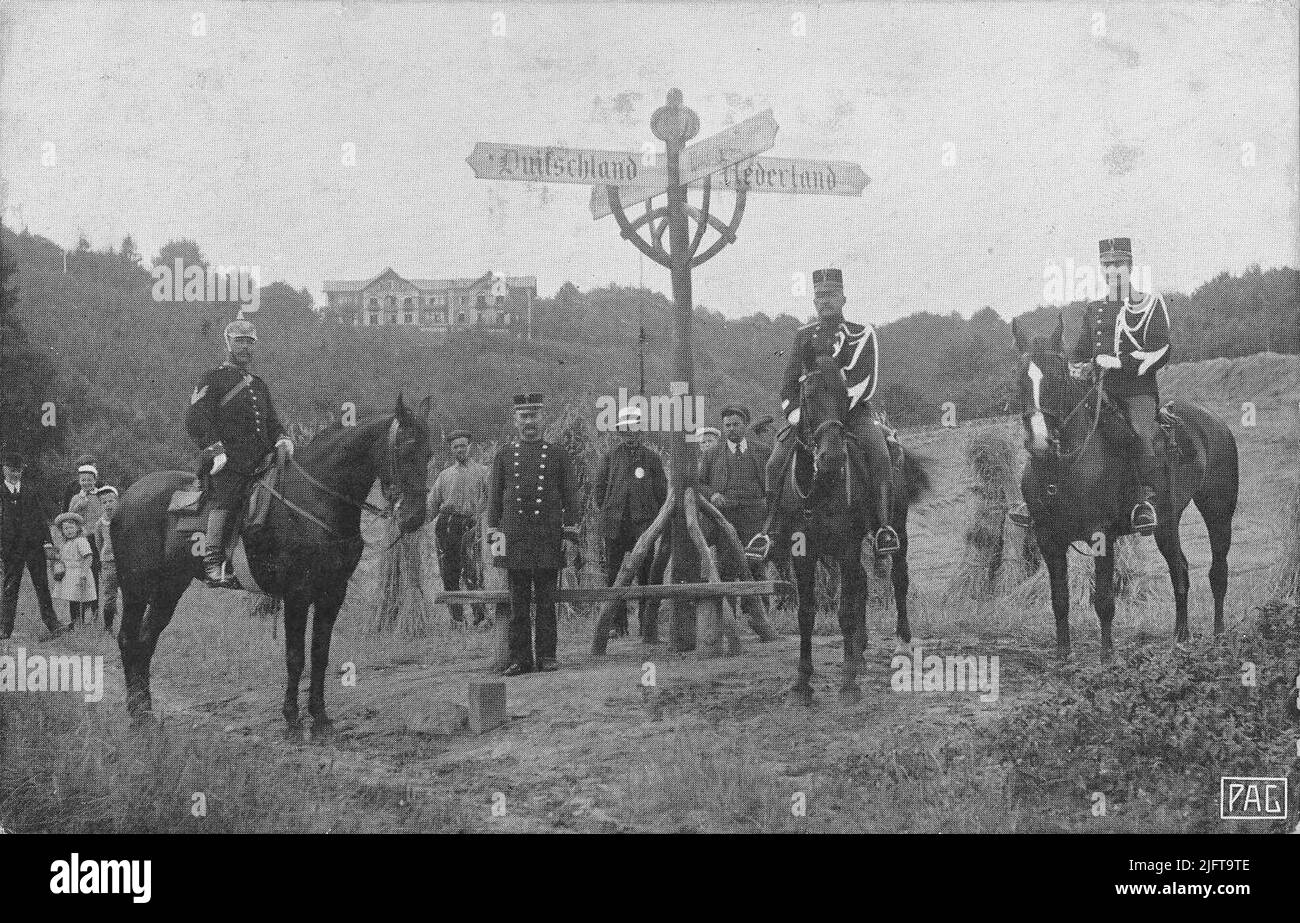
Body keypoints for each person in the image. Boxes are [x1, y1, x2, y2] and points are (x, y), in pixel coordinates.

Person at [1010, 237, 1171, 535]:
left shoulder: (1150, 304)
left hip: (1137, 392)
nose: (1113, 271)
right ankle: (1038, 502)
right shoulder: (1095, 309)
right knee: (1056, 428)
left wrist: (1118, 362)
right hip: (1099, 391)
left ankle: (1144, 502)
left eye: (1118, 265)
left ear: (1130, 267)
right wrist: (1077, 365)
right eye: (1107, 266)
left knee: (1140, 434)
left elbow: (1161, 350)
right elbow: (1081, 352)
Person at [750, 267, 899, 563]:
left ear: (843, 298)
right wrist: (794, 414)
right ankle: (769, 531)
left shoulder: (862, 333)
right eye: (819, 296)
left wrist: (838, 409)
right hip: (811, 415)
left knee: (881, 455)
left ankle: (883, 528)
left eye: (830, 295)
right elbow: (789, 383)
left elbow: (866, 379)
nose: (824, 301)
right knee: (773, 463)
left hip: (853, 413)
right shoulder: (803, 335)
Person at [185, 319, 294, 588]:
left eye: (249, 342)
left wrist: (282, 439)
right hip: (228, 462)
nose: (245, 347)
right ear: (228, 343)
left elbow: (272, 423)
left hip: (261, 461)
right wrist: (216, 449)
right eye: (239, 341)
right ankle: (213, 562)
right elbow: (196, 418)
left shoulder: (259, 384)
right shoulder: (213, 378)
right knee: (228, 497)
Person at [487, 392, 581, 676]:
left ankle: (548, 656)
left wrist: (569, 536)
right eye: (524, 417)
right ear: (515, 420)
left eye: (534, 416)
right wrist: (494, 536)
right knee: (518, 603)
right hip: (514, 538)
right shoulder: (504, 456)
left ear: (543, 419)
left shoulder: (557, 454)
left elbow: (571, 499)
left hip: (547, 537)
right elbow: (494, 500)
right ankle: (520, 659)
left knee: (546, 602)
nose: (529, 422)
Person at [592, 406, 667, 638]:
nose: (630, 435)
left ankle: (646, 623)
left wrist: (652, 517)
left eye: (634, 430)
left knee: (646, 572)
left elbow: (661, 492)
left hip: (643, 526)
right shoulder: (610, 457)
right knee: (615, 574)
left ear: (641, 431)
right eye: (625, 431)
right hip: (615, 525)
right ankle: (617, 623)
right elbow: (600, 490)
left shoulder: (652, 458)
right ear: (620, 433)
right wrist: (609, 509)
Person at [0, 452, 70, 640]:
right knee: (10, 587)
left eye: (18, 471)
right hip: (11, 550)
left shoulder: (30, 491)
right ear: (4, 469)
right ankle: (5, 628)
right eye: (12, 471)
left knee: (42, 586)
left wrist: (47, 542)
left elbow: (40, 519)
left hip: (34, 546)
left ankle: (52, 624)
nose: (15, 475)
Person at [699, 405, 770, 581]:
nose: (731, 429)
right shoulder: (712, 454)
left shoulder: (763, 451)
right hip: (725, 517)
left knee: (756, 565)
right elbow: (699, 483)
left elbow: (773, 484)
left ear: (745, 425)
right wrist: (712, 495)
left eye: (736, 424)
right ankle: (728, 608)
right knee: (726, 566)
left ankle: (756, 607)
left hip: (754, 517)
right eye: (728, 425)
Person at [430, 430, 490, 626]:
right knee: (450, 573)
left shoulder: (483, 472)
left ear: (469, 447)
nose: (460, 450)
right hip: (447, 526)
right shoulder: (444, 476)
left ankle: (479, 617)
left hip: (472, 526)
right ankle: (456, 619)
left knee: (473, 571)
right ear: (451, 450)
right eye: (456, 447)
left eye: (463, 445)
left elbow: (493, 498)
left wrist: (484, 516)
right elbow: (431, 506)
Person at [67, 462, 103, 624]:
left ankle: (94, 614)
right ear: (79, 481)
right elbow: (69, 518)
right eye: (83, 480)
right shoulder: (76, 497)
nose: (86, 483)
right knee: (76, 576)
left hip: (94, 541)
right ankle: (76, 618)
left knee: (93, 576)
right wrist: (78, 506)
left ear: (95, 480)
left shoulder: (100, 497)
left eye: (89, 480)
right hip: (79, 541)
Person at [52, 512, 96, 625]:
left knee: (81, 598)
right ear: (62, 531)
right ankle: (75, 621)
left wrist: (84, 573)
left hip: (79, 572)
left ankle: (82, 621)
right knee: (72, 599)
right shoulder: (65, 543)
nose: (69, 530)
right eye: (66, 528)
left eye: (71, 527)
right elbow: (62, 558)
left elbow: (88, 557)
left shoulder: (81, 541)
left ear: (77, 528)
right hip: (69, 574)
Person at [91, 485, 119, 630]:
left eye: (111, 501)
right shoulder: (100, 524)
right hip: (108, 562)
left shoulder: (123, 520)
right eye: (104, 502)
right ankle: (108, 627)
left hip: (125, 561)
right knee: (109, 595)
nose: (108, 505)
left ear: (117, 501)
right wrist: (105, 556)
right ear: (101, 505)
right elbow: (98, 544)